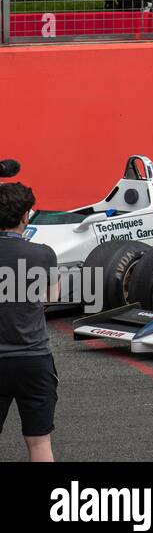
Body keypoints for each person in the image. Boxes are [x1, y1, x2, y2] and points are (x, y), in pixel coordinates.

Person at [0, 182, 57, 462]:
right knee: (39, 443)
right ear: (25, 216)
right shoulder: (43, 254)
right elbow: (51, 298)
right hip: (33, 358)